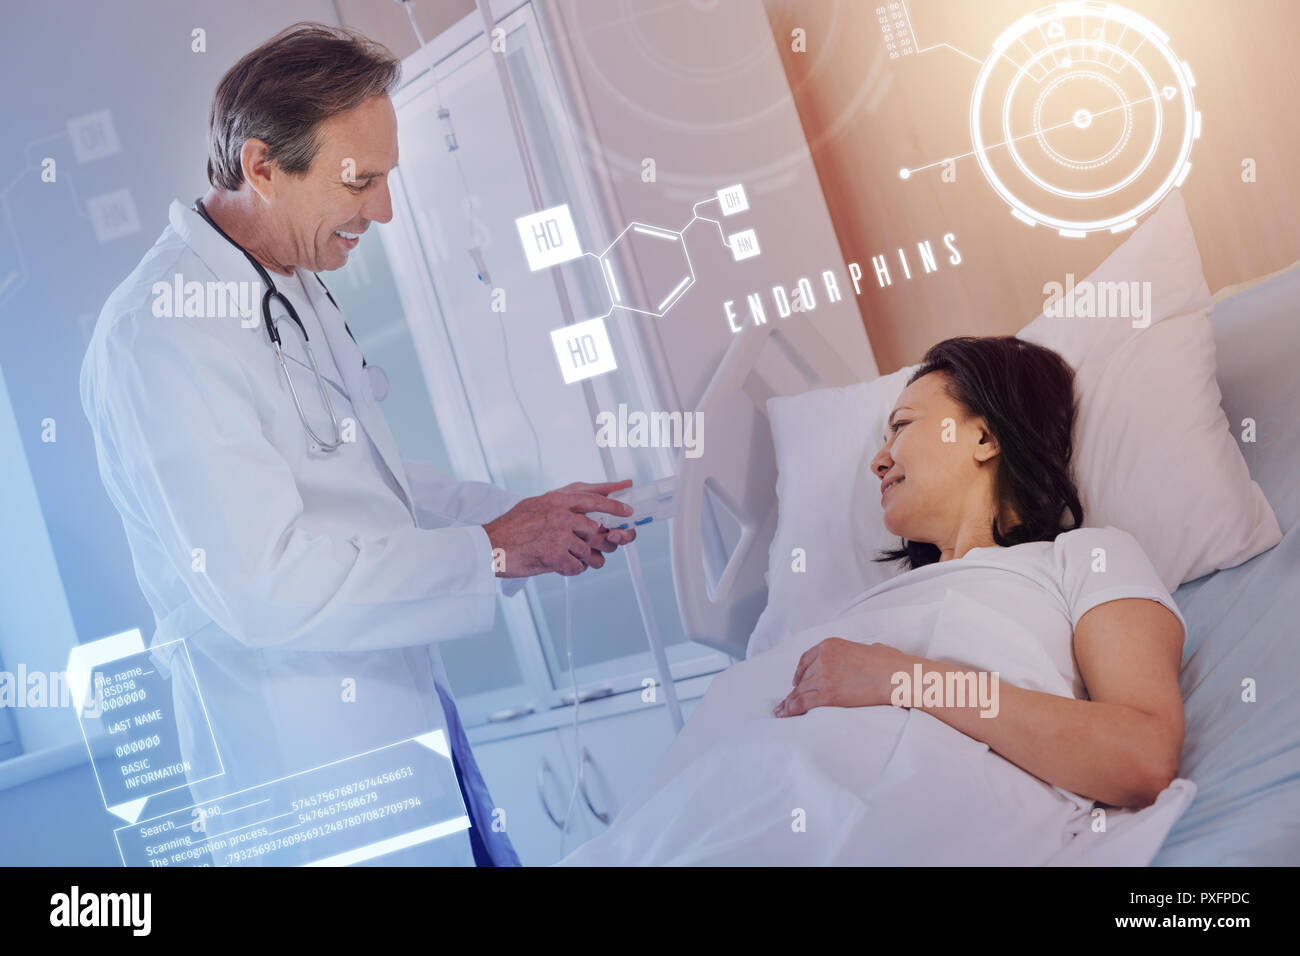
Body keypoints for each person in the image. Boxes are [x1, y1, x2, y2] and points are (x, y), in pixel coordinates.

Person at [79, 23, 634, 867]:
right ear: (263, 166)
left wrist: (522, 520)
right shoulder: (159, 333)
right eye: (360, 181)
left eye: (387, 177)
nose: (382, 210)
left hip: (407, 726)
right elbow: (265, 584)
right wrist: (487, 549)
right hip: (312, 776)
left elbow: (370, 481)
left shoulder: (290, 281)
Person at [562, 336, 1189, 866]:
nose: (878, 459)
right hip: (695, 822)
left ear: (984, 437)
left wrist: (903, 678)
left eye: (903, 427)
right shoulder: (861, 611)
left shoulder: (1082, 558)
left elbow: (1140, 756)